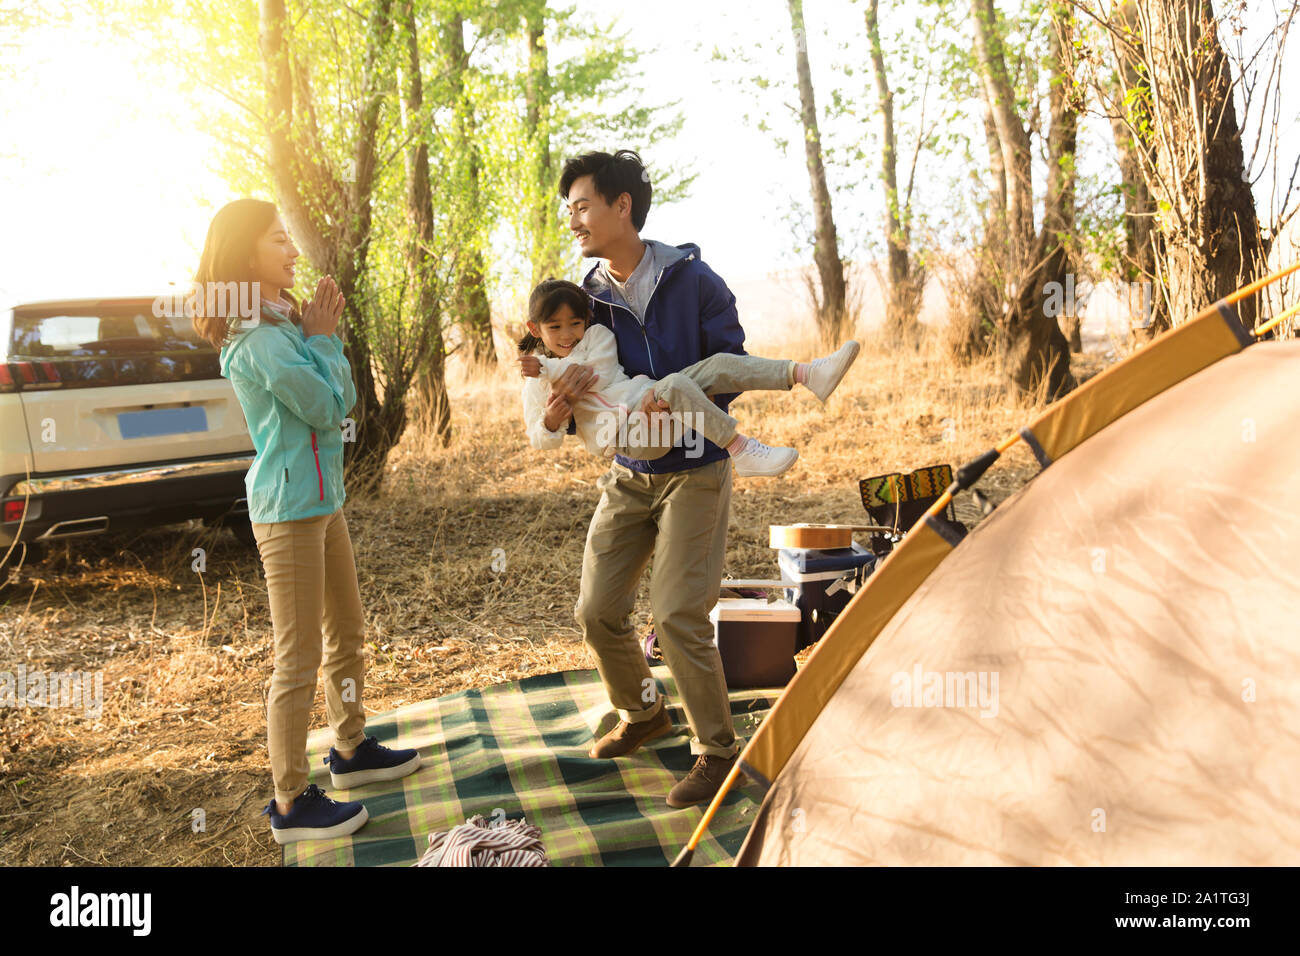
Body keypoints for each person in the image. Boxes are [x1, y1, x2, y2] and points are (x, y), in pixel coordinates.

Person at [549, 149, 859, 807]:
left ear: (621, 205)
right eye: (568, 208)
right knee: (597, 612)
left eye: (582, 205)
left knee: (678, 612)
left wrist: (681, 404)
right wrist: (557, 391)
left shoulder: (694, 279)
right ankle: (643, 712)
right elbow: (567, 379)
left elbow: (730, 366)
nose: (573, 219)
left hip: (696, 470)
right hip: (630, 474)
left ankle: (718, 753)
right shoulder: (584, 298)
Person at [192, 198, 421, 845]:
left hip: (323, 503)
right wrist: (324, 339)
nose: (291, 250)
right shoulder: (261, 338)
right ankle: (291, 801)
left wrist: (320, 339)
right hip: (287, 513)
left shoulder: (287, 324)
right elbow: (326, 404)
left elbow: (342, 400)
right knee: (298, 657)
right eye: (277, 239)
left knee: (346, 633)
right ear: (244, 257)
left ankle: (350, 749)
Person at [516, 278, 859, 475]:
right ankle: (740, 449)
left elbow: (596, 375)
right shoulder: (534, 383)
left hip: (646, 400)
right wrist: (549, 420)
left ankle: (809, 374)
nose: (567, 335)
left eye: (575, 323)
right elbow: (540, 438)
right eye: (555, 327)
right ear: (535, 328)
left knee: (720, 364)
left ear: (586, 320)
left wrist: (549, 371)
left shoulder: (596, 337)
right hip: (625, 434)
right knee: (679, 385)